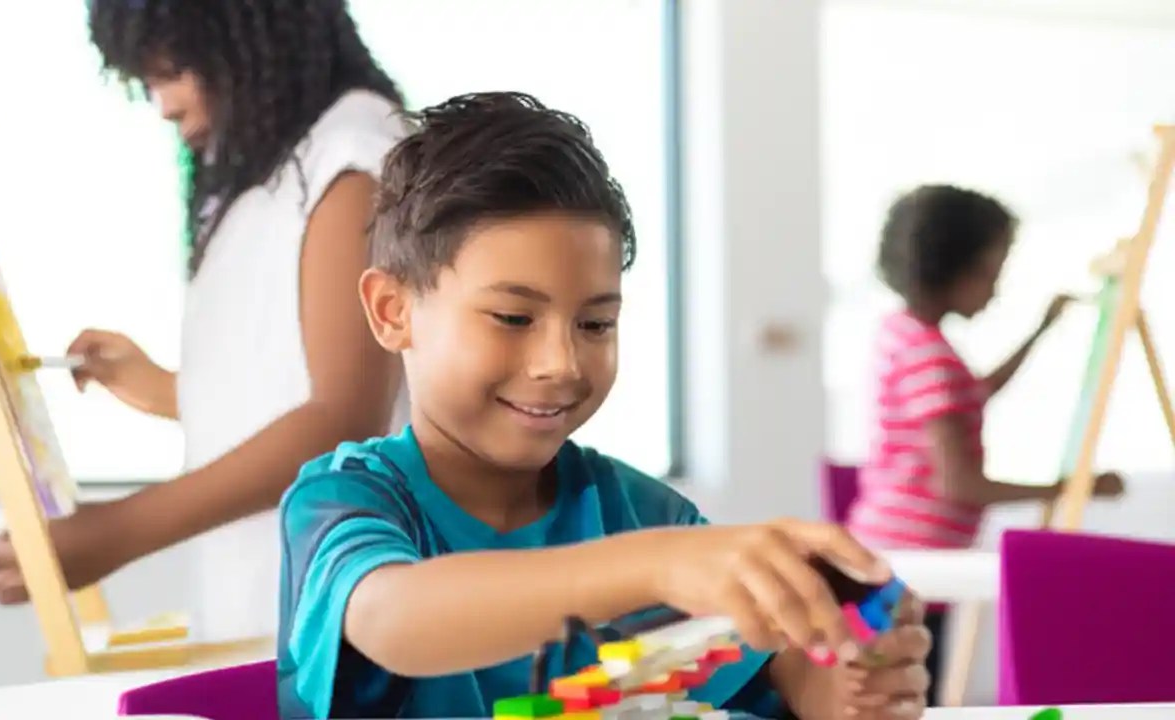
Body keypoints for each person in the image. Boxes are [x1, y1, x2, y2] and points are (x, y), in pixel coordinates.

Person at [276, 92, 931, 720]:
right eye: (511, 317)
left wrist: (844, 683)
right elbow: (391, 619)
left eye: (594, 325)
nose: (560, 363)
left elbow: (777, 669)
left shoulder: (643, 515)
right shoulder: (347, 499)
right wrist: (659, 566)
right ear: (393, 311)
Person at [0, 0, 409, 642]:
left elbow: (341, 420)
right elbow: (285, 385)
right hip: (276, 620)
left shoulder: (352, 160)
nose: (166, 105)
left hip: (348, 624)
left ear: (259, 32)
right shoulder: (272, 171)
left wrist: (118, 531)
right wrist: (164, 389)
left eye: (174, 71)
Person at [845, 184, 1125, 704]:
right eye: (990, 273)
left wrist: (1040, 331)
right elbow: (962, 487)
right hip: (914, 566)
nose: (995, 290)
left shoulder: (906, 335)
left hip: (897, 557)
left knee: (897, 693)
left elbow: (970, 396)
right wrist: (1070, 487)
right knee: (900, 698)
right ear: (952, 270)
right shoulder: (930, 356)